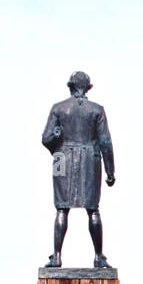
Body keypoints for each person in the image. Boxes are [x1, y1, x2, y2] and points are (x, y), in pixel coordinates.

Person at [41, 70, 116, 268]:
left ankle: (57, 256)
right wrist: (110, 171)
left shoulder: (58, 109)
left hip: (61, 160)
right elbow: (105, 142)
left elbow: (46, 139)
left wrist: (57, 137)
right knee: (93, 210)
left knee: (61, 208)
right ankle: (98, 256)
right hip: (89, 159)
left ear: (70, 86)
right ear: (88, 87)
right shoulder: (96, 110)